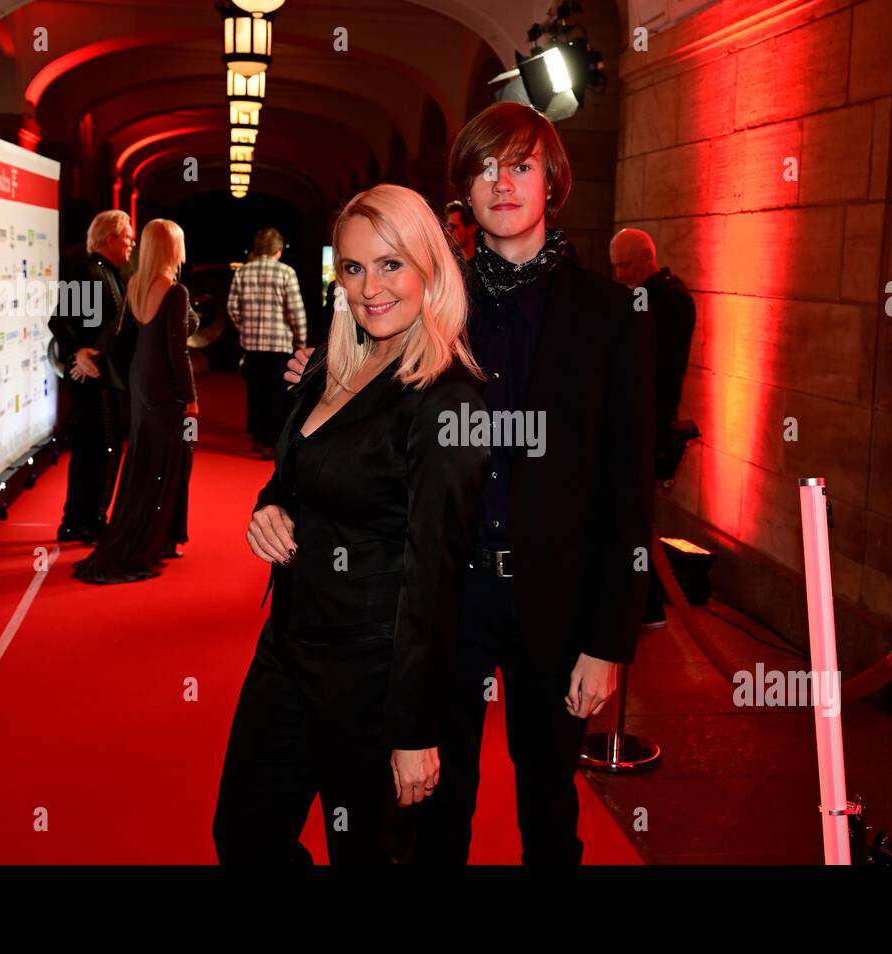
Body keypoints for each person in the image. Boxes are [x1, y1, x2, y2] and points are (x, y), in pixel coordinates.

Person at [286, 102, 654, 865]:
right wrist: (313, 376)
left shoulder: (611, 313)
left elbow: (629, 488)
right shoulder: (432, 299)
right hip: (441, 594)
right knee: (431, 807)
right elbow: (360, 359)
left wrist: (609, 638)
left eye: (520, 166)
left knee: (549, 801)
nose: (503, 183)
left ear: (551, 180)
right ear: (464, 190)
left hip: (556, 600)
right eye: (485, 168)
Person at [212, 184, 489, 866]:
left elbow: (436, 575)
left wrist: (416, 729)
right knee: (244, 835)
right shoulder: (332, 365)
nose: (370, 287)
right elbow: (297, 473)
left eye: (391, 265)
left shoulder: (446, 401)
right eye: (355, 267)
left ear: (431, 267)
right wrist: (269, 508)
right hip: (287, 646)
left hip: (372, 674)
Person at [70, 219, 198, 584]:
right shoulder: (175, 292)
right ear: (172, 247)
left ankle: (162, 535)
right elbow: (178, 353)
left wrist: (97, 349)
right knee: (172, 457)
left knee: (146, 456)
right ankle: (160, 538)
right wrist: (190, 398)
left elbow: (118, 329)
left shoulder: (136, 283)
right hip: (164, 383)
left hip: (141, 380)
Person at [610, 227, 697, 628]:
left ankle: (646, 604)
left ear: (647, 258)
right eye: (616, 267)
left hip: (647, 425)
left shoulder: (668, 298)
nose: (620, 274)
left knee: (635, 520)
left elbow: (650, 368)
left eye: (625, 265)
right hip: (639, 422)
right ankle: (641, 602)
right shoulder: (655, 296)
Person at [48, 210, 136, 543]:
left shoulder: (110, 272)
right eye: (128, 237)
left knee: (105, 448)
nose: (131, 244)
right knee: (94, 449)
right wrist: (77, 352)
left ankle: (91, 517)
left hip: (107, 376)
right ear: (110, 238)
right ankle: (78, 521)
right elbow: (60, 321)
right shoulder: (85, 271)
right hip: (92, 377)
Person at [228, 227, 307, 458]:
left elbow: (232, 308)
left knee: (255, 390)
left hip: (251, 345)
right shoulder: (286, 273)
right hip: (279, 345)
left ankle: (257, 434)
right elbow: (295, 310)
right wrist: (300, 340)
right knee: (276, 394)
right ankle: (270, 441)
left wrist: (244, 327)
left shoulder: (243, 272)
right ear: (278, 250)